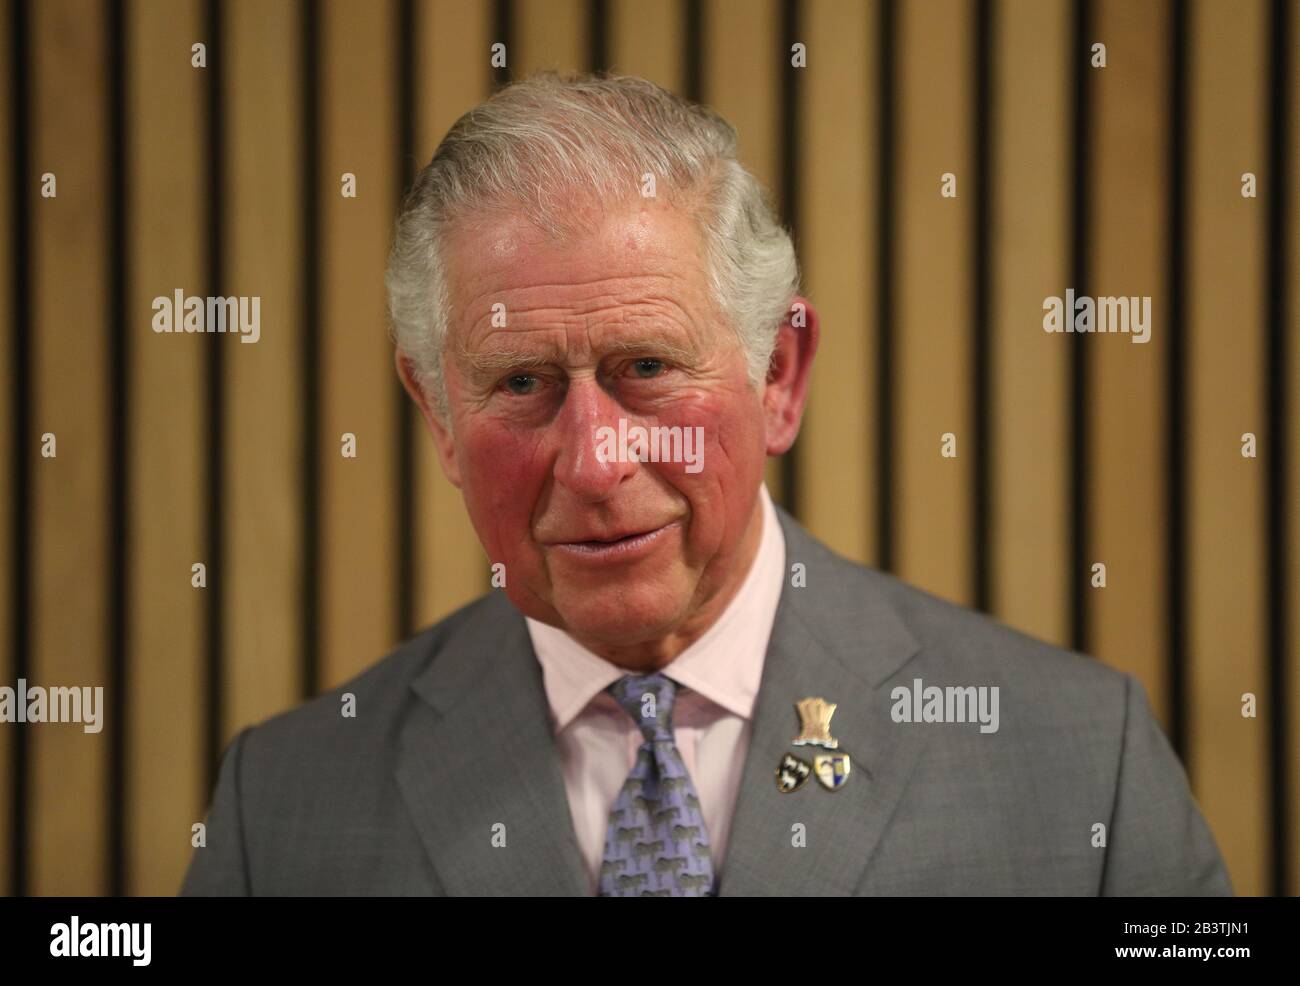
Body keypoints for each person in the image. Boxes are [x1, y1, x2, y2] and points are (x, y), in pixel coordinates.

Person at [181, 73, 1231, 896]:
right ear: (439, 417)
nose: (594, 462)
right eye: (521, 383)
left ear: (777, 373)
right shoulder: (283, 808)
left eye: (645, 368)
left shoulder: (1081, 762)